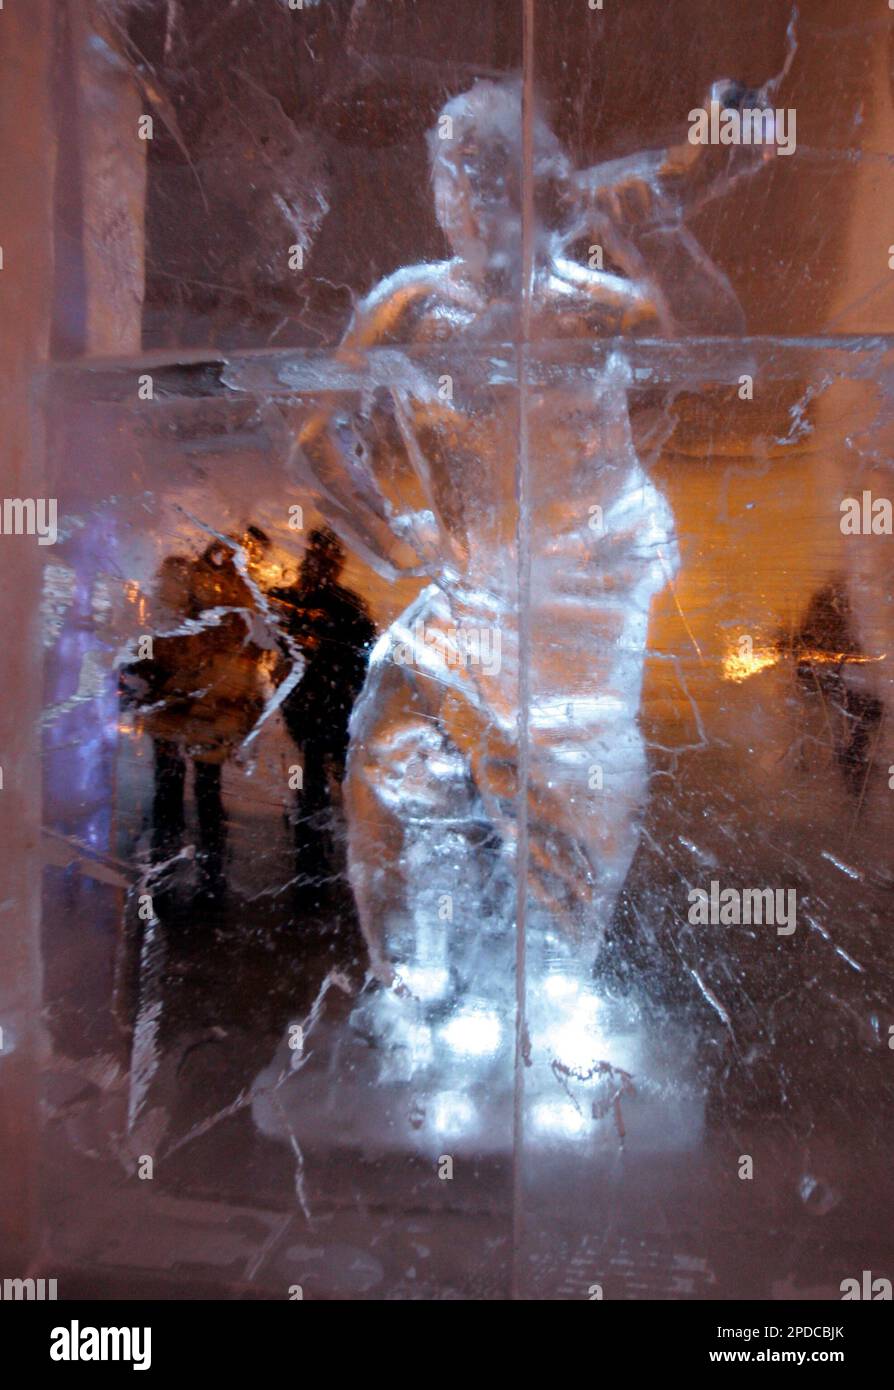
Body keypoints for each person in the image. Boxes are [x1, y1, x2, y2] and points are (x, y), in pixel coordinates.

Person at [292, 77, 781, 992]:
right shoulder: (409, 306)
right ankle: (414, 987)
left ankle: (546, 1020)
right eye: (450, 176)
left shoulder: (596, 306)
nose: (463, 201)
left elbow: (723, 353)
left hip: (574, 613)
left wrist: (655, 225)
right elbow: (318, 431)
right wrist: (392, 542)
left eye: (487, 178)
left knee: (560, 829)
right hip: (466, 600)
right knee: (387, 766)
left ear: (535, 189)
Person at [121, 525, 275, 902]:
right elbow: (174, 634)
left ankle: (184, 872)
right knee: (191, 790)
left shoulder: (228, 592)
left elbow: (236, 651)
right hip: (193, 704)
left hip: (199, 706)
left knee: (183, 789)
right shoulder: (224, 591)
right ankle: (195, 874)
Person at [268, 528, 376, 877]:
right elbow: (363, 656)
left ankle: (313, 861)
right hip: (323, 705)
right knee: (319, 780)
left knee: (314, 780)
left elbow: (362, 655)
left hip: (321, 705)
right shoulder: (330, 602)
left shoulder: (315, 601)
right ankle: (319, 860)